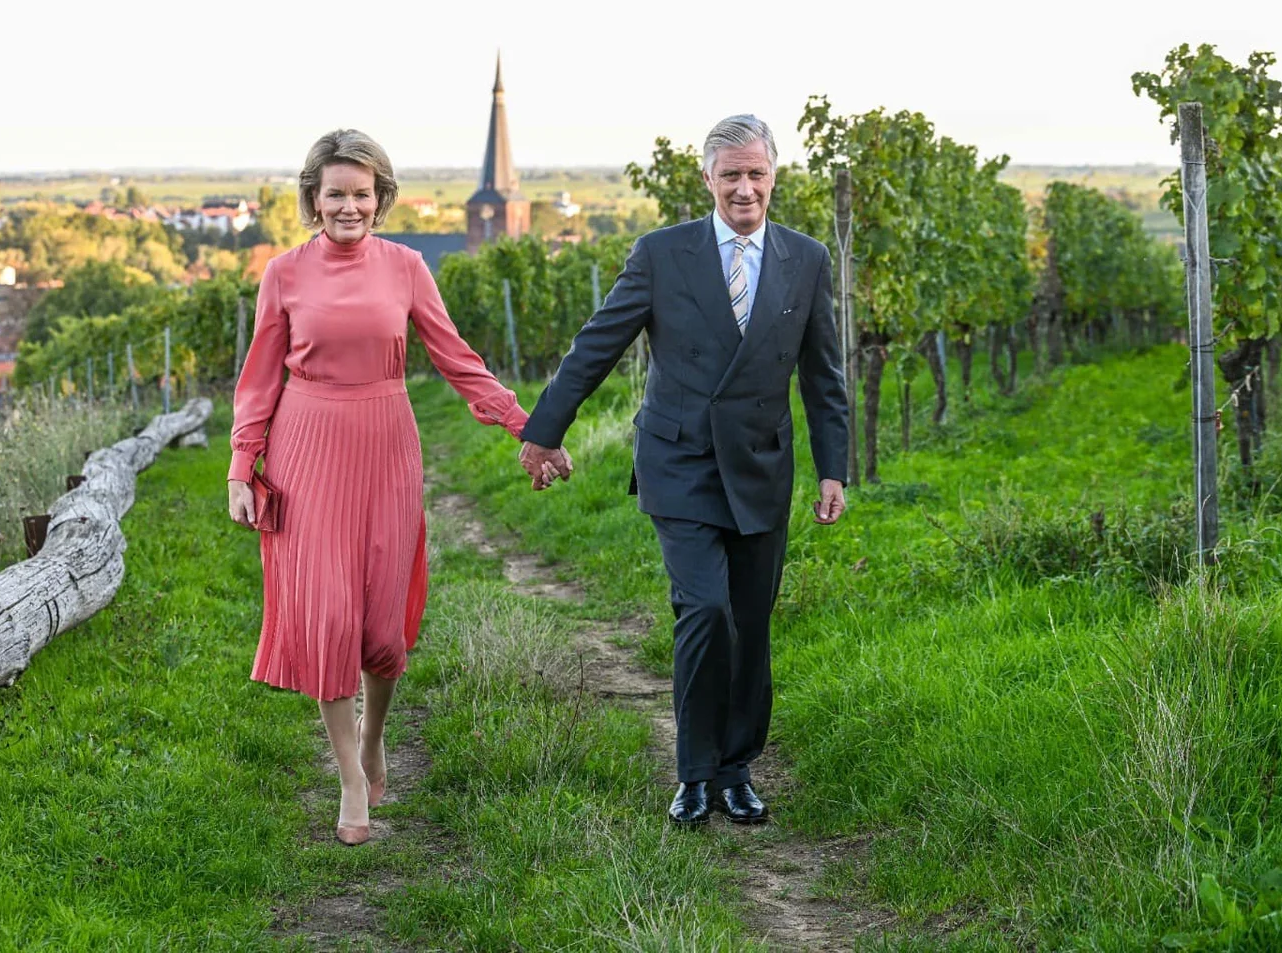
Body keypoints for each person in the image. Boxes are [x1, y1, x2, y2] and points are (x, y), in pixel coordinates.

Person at [226, 129, 559, 845]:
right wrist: (240, 467)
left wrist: (526, 425)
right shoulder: (282, 275)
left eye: (362, 192)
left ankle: (375, 734)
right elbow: (257, 383)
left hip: (387, 444)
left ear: (381, 199)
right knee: (331, 619)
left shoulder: (408, 267)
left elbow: (458, 360)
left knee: (381, 626)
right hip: (306, 445)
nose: (350, 205)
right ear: (314, 199)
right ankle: (349, 775)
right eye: (336, 192)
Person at [517, 114, 849, 827]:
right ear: (707, 180)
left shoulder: (807, 258)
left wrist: (833, 468)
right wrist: (544, 431)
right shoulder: (663, 254)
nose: (744, 188)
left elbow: (823, 375)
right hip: (680, 461)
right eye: (730, 174)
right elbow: (596, 345)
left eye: (756, 173)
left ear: (774, 177)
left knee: (750, 623)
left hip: (762, 466)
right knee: (705, 608)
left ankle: (737, 768)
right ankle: (694, 773)